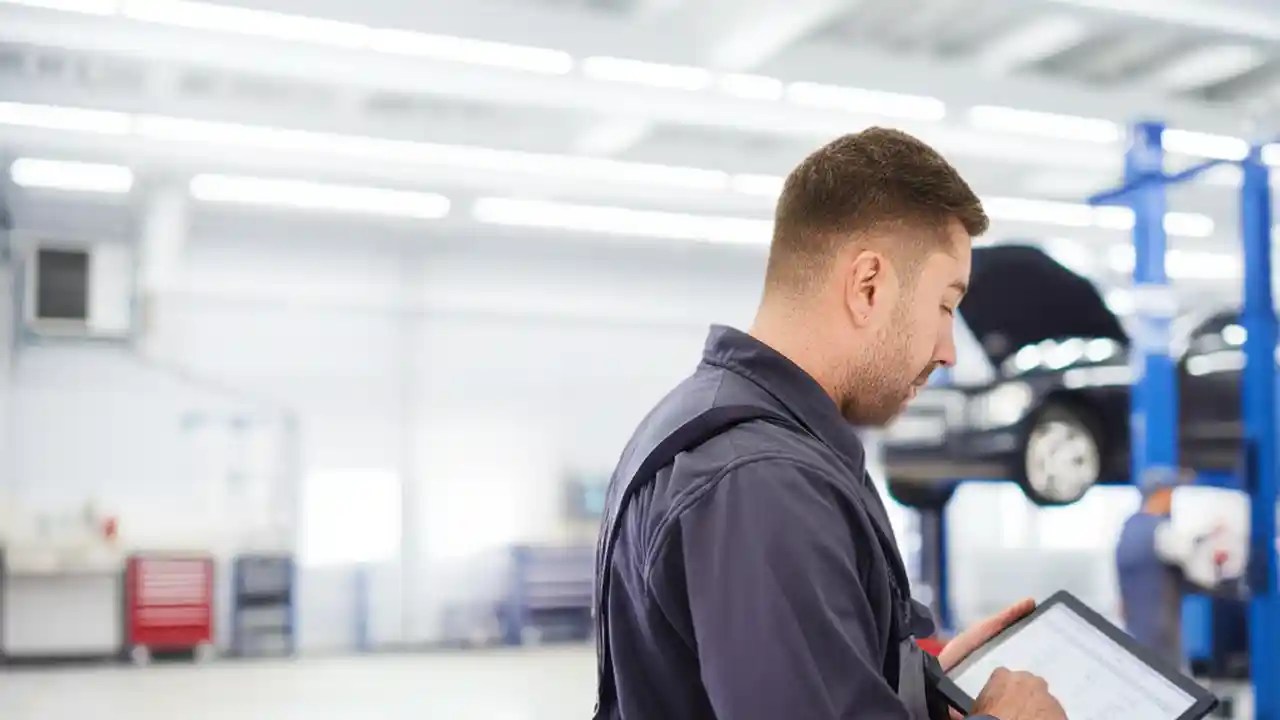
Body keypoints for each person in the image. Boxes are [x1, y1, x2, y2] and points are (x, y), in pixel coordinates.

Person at [592, 128, 1066, 720]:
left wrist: (917, 685)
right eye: (945, 305)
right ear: (868, 286)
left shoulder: (710, 422)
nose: (949, 351)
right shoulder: (764, 482)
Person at [1117, 467, 1232, 667]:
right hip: (1161, 633)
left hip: (1136, 628)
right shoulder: (1160, 532)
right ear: (1161, 493)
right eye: (1171, 492)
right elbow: (1199, 571)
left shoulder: (1129, 529)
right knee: (1175, 687)